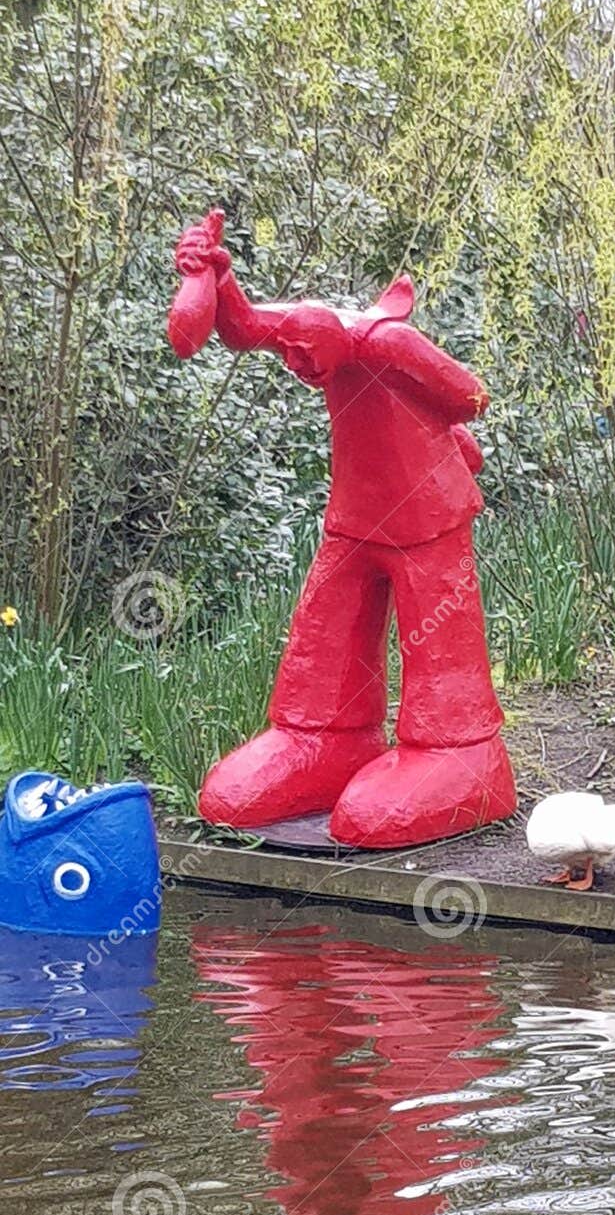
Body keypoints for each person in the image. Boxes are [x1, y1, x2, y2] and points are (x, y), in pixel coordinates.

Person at [172, 217, 515, 848]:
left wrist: (401, 359)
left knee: (438, 640)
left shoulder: (389, 343)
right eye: (295, 354)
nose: (302, 366)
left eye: (308, 355)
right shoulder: (314, 329)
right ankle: (324, 737)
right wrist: (213, 275)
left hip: (429, 513)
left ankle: (461, 753)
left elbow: (471, 397)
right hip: (356, 513)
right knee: (326, 624)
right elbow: (242, 330)